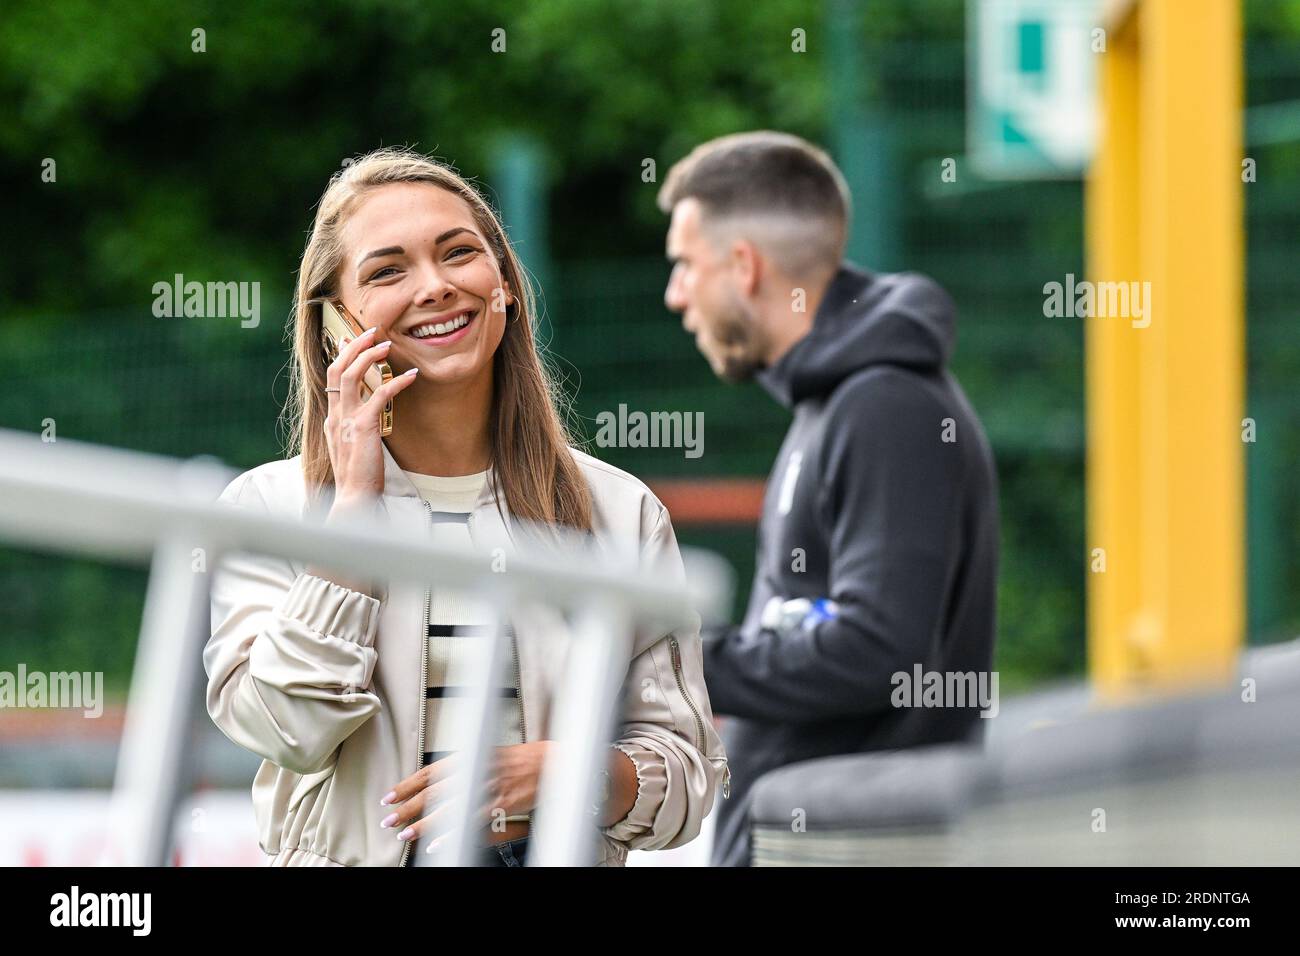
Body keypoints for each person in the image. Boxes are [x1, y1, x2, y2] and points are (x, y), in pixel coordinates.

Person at [204, 146, 727, 867]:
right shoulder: (267, 507)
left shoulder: (620, 509)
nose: (437, 286)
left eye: (459, 254)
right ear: (336, 321)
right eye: (388, 270)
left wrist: (562, 771)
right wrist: (354, 515)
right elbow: (285, 727)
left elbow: (688, 776)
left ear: (504, 285)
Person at [658, 131, 999, 866]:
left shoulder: (885, 407)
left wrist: (673, 660)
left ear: (744, 266)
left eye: (685, 265)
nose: (675, 294)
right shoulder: (836, 402)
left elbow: (877, 651)